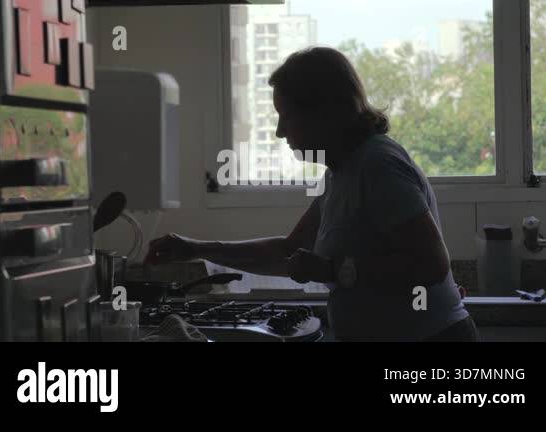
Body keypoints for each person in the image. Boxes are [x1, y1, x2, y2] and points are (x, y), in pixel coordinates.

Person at [145, 47, 480, 342]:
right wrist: (194, 248)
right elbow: (290, 251)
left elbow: (431, 264)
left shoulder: (378, 166)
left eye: (286, 116)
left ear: (327, 112)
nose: (279, 131)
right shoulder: (341, 172)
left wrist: (336, 271)